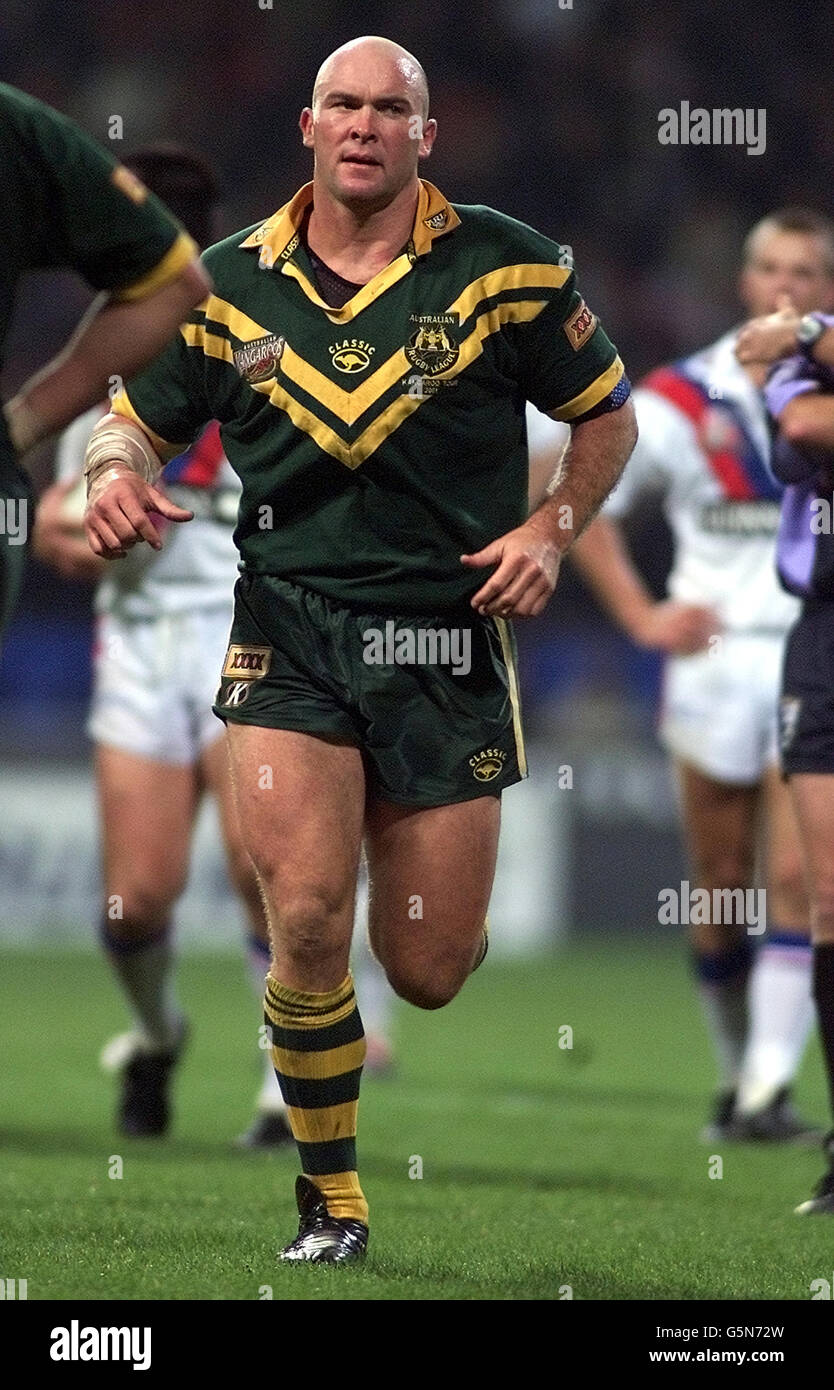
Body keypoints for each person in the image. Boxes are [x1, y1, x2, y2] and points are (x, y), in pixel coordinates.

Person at [82, 36, 637, 1262]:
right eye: (345, 103)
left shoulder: (509, 266)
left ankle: (432, 895)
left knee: (430, 965)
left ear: (425, 137)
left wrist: (553, 528)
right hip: (288, 633)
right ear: (307, 124)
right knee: (310, 917)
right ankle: (331, 1201)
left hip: (446, 641)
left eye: (393, 108)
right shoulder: (224, 286)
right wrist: (115, 474)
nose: (366, 125)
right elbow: (125, 421)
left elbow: (606, 413)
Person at [532, 209, 834, 1142]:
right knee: (716, 888)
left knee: (796, 877)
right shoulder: (680, 398)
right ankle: (737, 1069)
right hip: (707, 661)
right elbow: (573, 487)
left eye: (806, 273)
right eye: (771, 269)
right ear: (745, 282)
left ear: (823, 291)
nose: (786, 287)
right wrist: (637, 613)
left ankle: (765, 1093)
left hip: (806, 646)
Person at [32, 146, 294, 1147]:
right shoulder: (103, 390)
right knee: (132, 902)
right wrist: (91, 525)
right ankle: (158, 1032)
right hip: (141, 655)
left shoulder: (271, 355)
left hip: (254, 644)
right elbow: (58, 530)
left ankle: (284, 1088)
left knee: (264, 867)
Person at [0, 83, 210, 636]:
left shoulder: (265, 369)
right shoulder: (99, 422)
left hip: (238, 641)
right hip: (137, 658)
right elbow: (58, 537)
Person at [737, 305, 834, 1211]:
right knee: (827, 896)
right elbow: (805, 426)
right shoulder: (794, 366)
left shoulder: (799, 342)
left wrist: (805, 333)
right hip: (825, 635)